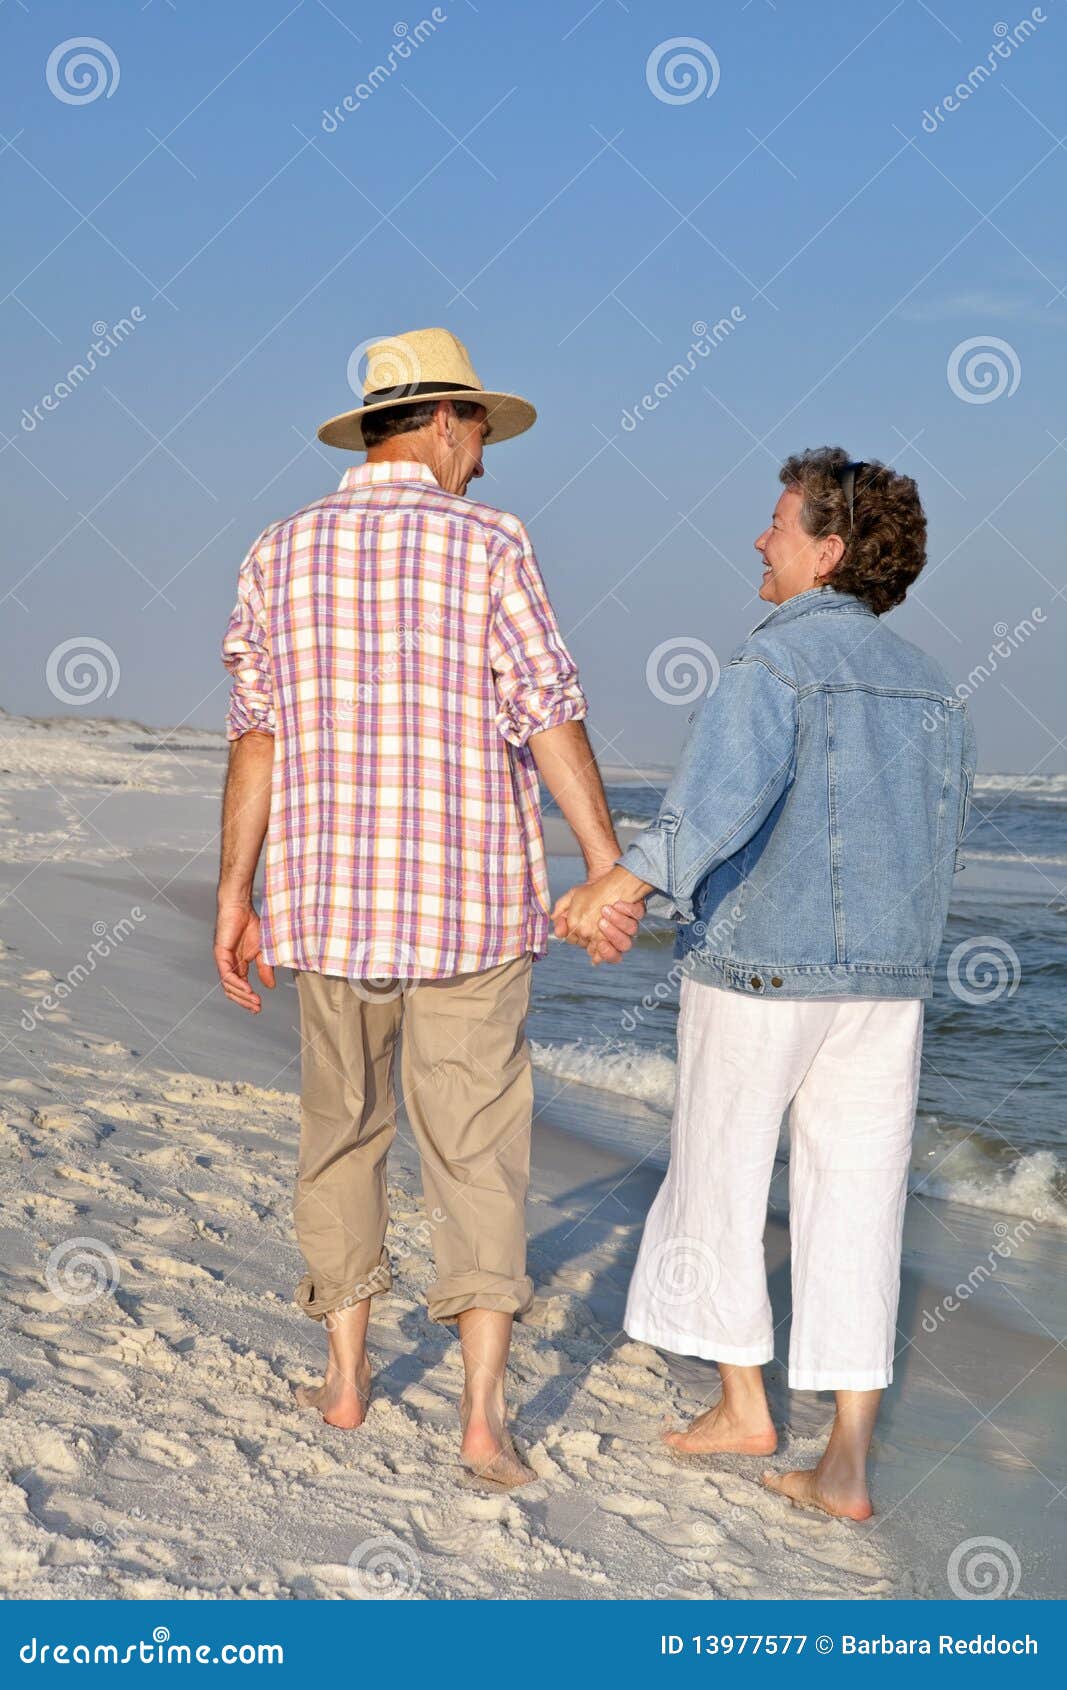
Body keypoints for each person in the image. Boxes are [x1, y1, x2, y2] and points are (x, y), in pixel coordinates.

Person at [215, 327, 633, 1488]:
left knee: (339, 1137)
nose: (485, 457)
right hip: (468, 911)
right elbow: (546, 706)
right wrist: (601, 861)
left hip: (327, 903)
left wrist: (234, 894)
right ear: (445, 420)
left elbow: (257, 735)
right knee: (477, 1153)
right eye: (481, 431)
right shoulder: (489, 541)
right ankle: (482, 1423)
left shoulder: (278, 549)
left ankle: (347, 1384)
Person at [555, 448, 975, 1520]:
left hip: (759, 967)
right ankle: (842, 1463)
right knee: (859, 1204)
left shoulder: (769, 666)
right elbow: (942, 843)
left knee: (719, 1176)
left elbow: (713, 807)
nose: (758, 537)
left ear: (826, 551)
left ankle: (744, 1405)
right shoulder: (935, 688)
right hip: (885, 985)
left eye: (776, 523)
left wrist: (617, 885)